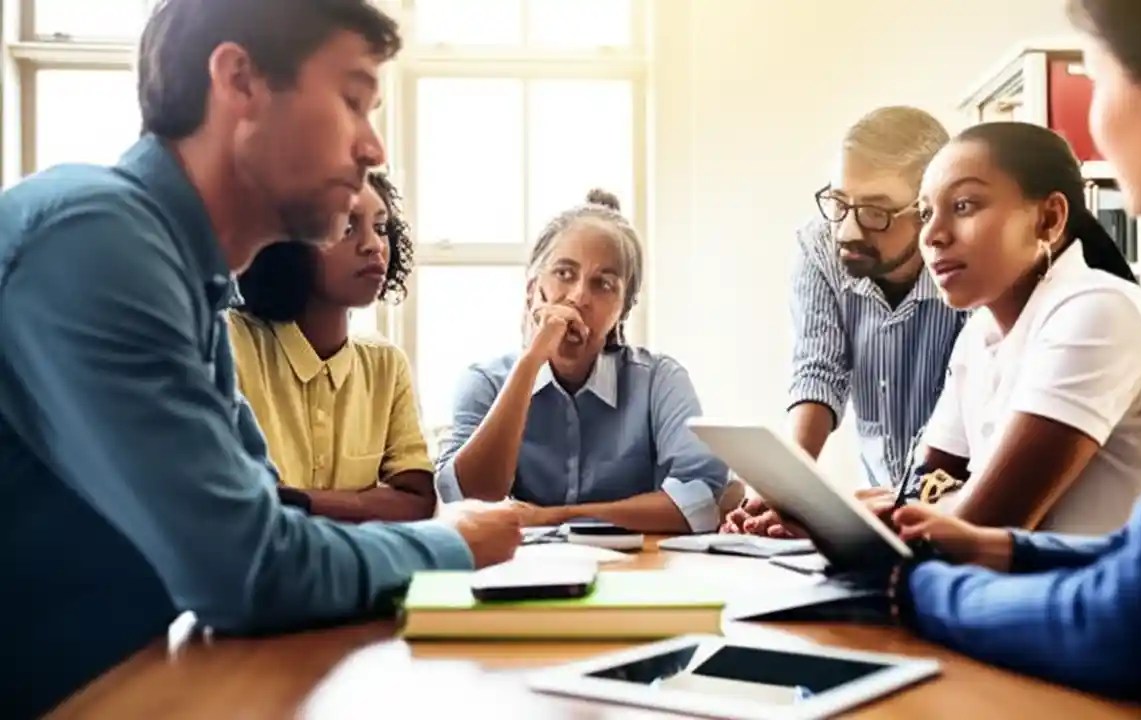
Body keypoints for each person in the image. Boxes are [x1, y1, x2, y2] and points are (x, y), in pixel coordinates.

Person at [0, 1, 518, 716]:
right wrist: (452, 544)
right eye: (353, 99)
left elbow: (267, 515)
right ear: (239, 81)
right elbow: (250, 569)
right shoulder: (98, 239)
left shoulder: (189, 281)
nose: (374, 149)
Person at [882, 0, 1141, 707]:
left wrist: (914, 584)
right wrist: (1000, 551)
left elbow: (1136, 621)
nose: (1091, 117)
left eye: (1096, 75)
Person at [905, 121, 1141, 534]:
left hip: (1098, 593)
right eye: (925, 213)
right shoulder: (977, 334)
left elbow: (983, 529)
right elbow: (922, 488)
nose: (933, 235)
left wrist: (908, 510)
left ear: (1049, 219)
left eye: (964, 205)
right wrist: (841, 517)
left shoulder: (1099, 310)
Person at [722, 107, 966, 534]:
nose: (847, 232)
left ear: (928, 210)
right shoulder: (820, 244)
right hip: (884, 505)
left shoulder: (967, 267)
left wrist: (897, 507)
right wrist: (786, 490)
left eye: (875, 211)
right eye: (839, 203)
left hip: (959, 505)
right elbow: (819, 369)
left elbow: (968, 413)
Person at [436, 190, 730, 533]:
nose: (578, 297)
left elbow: (699, 502)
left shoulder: (660, 381)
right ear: (533, 289)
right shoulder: (485, 381)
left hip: (636, 573)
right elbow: (467, 500)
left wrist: (554, 517)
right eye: (564, 274)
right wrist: (531, 361)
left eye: (603, 284)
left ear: (623, 310)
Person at [231, 172, 437, 522]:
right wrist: (365, 503)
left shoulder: (386, 364)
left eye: (382, 227)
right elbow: (235, 504)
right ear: (287, 242)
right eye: (347, 227)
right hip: (252, 575)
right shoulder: (227, 344)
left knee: (452, 576)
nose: (374, 245)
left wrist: (299, 501)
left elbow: (418, 502)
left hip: (357, 575)